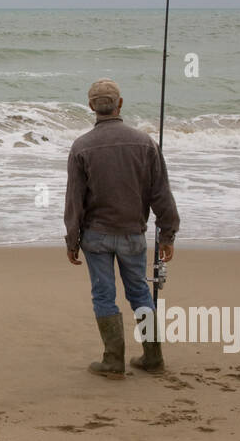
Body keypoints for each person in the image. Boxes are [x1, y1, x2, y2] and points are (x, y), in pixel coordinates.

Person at [64, 78, 180, 378]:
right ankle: (152, 358)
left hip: (96, 236)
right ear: (120, 103)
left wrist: (72, 239)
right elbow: (161, 194)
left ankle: (113, 360)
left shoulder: (81, 147)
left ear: (91, 106)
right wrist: (168, 233)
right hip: (133, 234)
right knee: (140, 293)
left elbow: (74, 199)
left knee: (103, 295)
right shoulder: (145, 143)